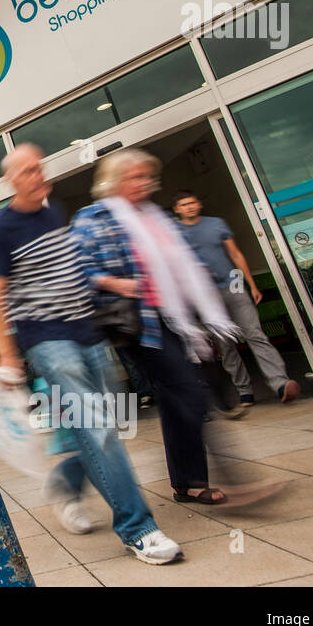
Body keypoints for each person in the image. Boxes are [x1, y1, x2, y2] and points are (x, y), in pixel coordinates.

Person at [0, 143, 182, 565]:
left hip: (88, 333)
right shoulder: (1, 229)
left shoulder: (56, 211)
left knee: (105, 426)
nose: (39, 175)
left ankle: (66, 480)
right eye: (28, 171)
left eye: (40, 167)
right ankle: (138, 528)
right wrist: (8, 355)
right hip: (49, 340)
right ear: (11, 181)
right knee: (97, 428)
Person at [71, 149, 240, 506]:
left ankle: (187, 483)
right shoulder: (93, 217)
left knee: (179, 396)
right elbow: (76, 270)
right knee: (188, 394)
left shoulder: (156, 217)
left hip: (173, 317)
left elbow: (184, 264)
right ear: (114, 181)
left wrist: (204, 301)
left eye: (146, 176)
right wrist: (117, 284)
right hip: (136, 322)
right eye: (133, 176)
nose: (143, 183)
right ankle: (226, 477)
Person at [173, 190, 300, 406]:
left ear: (199, 204)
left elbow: (235, 254)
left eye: (192, 202)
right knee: (225, 345)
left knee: (254, 334)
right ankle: (244, 391)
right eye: (184, 204)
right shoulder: (173, 232)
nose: (189, 207)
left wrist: (251, 284)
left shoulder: (216, 224)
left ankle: (280, 384)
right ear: (177, 209)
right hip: (206, 295)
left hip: (233, 283)